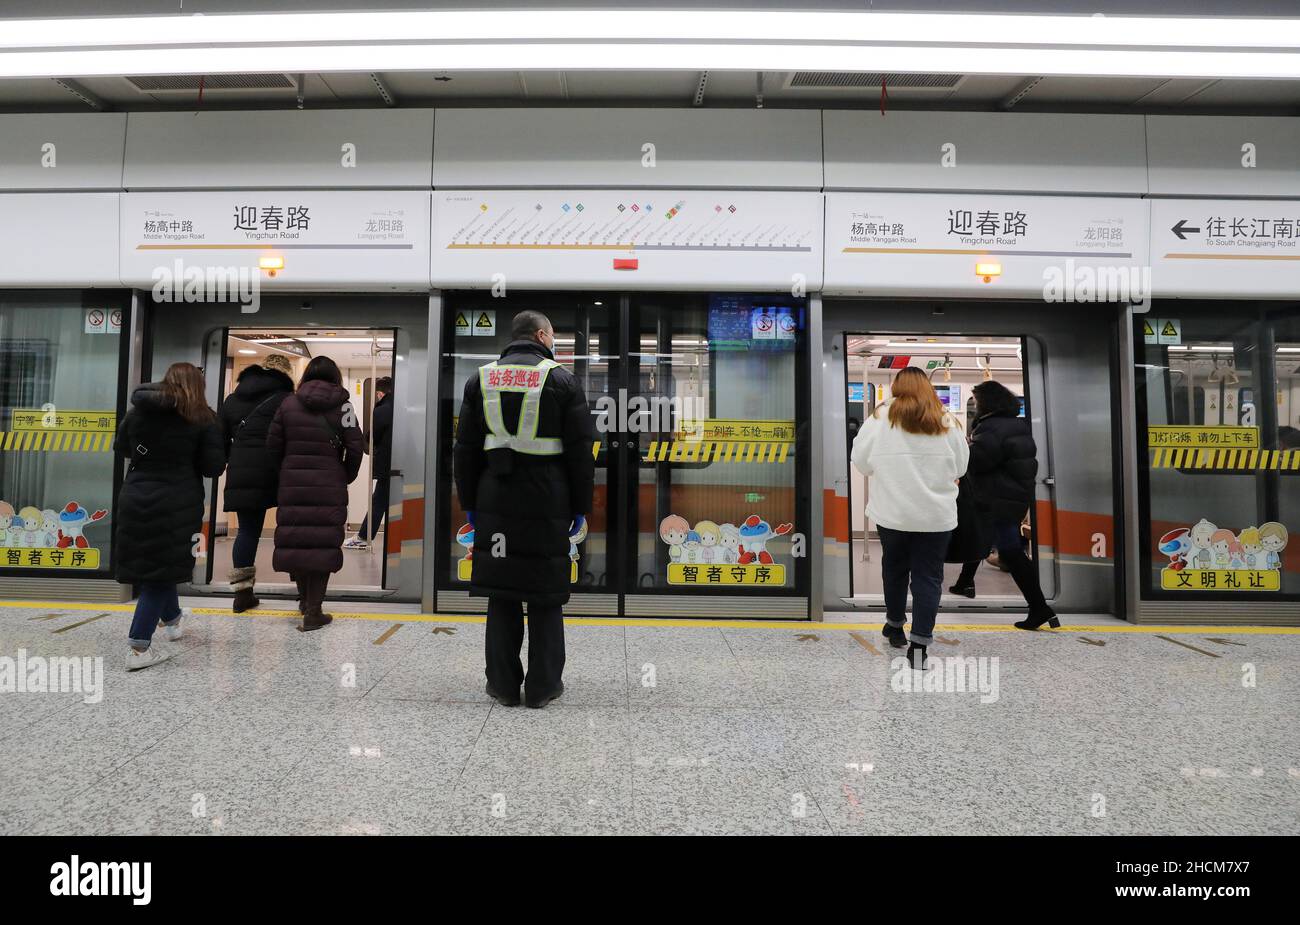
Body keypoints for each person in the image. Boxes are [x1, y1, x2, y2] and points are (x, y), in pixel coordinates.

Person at [453, 310, 594, 708]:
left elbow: (464, 451)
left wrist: (470, 504)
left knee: (503, 594)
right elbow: (581, 455)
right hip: (548, 502)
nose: (554, 343)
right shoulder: (563, 380)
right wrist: (580, 508)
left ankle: (502, 685)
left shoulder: (479, 379)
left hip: (495, 501)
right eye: (552, 336)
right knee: (545, 595)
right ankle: (543, 686)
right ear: (540, 335)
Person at [851, 366, 969, 670]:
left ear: (896, 386)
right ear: (928, 387)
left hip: (892, 514)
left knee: (894, 569)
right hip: (936, 517)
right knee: (929, 578)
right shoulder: (946, 420)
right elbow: (961, 467)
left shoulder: (880, 418)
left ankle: (894, 626)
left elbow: (861, 462)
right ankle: (919, 645)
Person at [114, 362, 225, 671]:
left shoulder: (138, 412)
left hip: (135, 495)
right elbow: (212, 468)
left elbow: (121, 447)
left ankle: (173, 620)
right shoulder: (203, 418)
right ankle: (138, 647)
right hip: (178, 500)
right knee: (161, 573)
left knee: (160, 565)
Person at [949, 380, 1059, 631]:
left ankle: (1040, 607)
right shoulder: (1015, 424)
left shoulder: (992, 428)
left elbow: (978, 461)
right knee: (983, 538)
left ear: (987, 402)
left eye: (976, 401)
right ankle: (965, 582)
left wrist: (966, 447)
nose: (974, 406)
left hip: (997, 499)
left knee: (1010, 551)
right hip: (1012, 496)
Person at [266, 356, 365, 631]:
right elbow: (356, 446)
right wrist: (345, 474)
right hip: (329, 483)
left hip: (292, 482)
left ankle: (303, 601)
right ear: (336, 377)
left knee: (298, 540)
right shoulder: (344, 406)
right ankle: (314, 610)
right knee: (321, 544)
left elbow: (272, 445)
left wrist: (286, 472)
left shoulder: (288, 404)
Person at [218, 353, 295, 611]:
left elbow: (222, 439)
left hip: (242, 473)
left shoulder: (232, 400)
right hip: (280, 471)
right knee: (292, 529)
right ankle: (305, 591)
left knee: (247, 532)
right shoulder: (286, 399)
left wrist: (238, 459)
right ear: (284, 375)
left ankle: (242, 594)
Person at [344, 375, 394, 550]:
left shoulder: (382, 410)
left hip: (388, 466)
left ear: (380, 393)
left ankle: (363, 537)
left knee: (378, 501)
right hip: (400, 465)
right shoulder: (402, 406)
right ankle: (364, 536)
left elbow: (373, 437)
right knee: (381, 501)